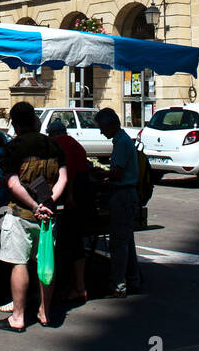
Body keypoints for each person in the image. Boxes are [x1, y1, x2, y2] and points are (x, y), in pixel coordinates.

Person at [0, 101, 67, 332]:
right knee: (45, 263)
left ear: (15, 123)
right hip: (48, 216)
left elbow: (12, 183)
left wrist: (35, 206)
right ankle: (45, 312)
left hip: (20, 213)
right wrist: (48, 203)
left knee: (19, 263)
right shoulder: (53, 145)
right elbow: (63, 178)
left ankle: (18, 316)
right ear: (35, 120)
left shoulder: (13, 147)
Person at [46, 117, 93, 304]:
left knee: (70, 241)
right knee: (76, 241)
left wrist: (70, 196)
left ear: (53, 134)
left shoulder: (60, 144)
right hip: (85, 192)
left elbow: (69, 171)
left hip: (76, 194)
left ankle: (76, 287)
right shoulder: (73, 142)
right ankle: (77, 285)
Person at [96, 107, 142, 298]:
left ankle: (119, 285)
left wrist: (103, 174)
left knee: (119, 243)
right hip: (125, 194)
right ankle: (132, 279)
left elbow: (117, 172)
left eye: (102, 127)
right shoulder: (121, 141)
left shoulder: (122, 143)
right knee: (126, 241)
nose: (100, 131)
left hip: (123, 194)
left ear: (111, 125)